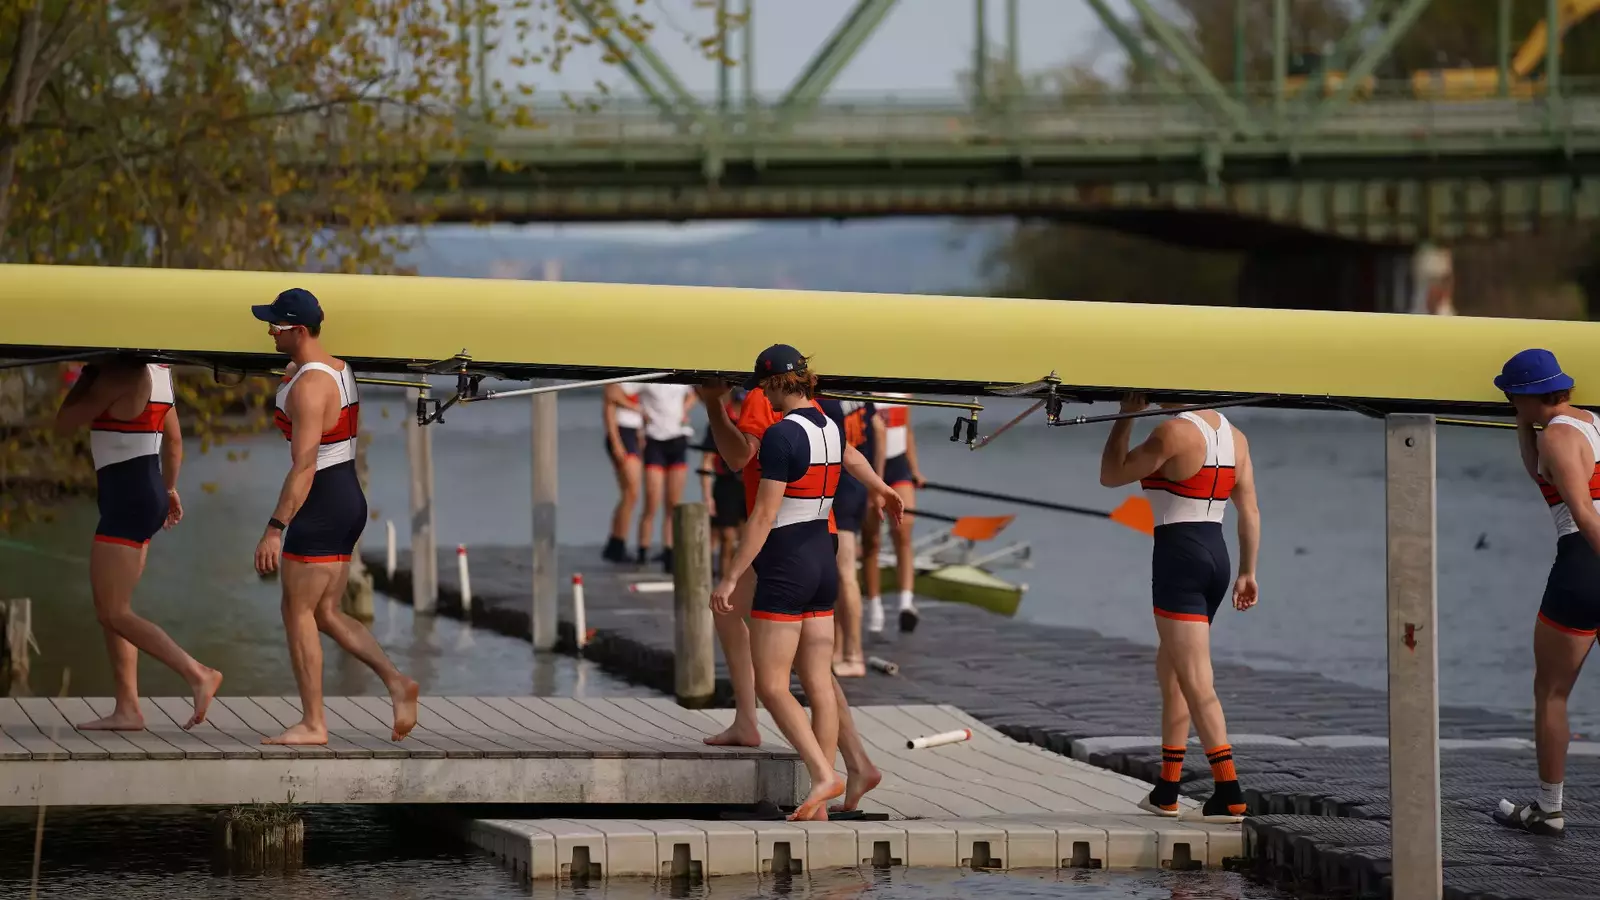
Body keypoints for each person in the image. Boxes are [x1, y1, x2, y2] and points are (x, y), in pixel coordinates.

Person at [709, 344, 904, 821]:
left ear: (775, 384)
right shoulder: (829, 425)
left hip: (787, 561)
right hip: (824, 553)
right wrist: (881, 487)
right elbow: (850, 456)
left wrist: (731, 577)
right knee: (817, 677)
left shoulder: (779, 435)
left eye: (762, 387)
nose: (760, 395)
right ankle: (835, 784)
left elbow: (764, 514)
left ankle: (823, 774)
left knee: (774, 686)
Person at [250, 288, 419, 746]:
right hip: (348, 497)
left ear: (299, 331)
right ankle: (397, 683)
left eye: (276, 326)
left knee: (297, 610)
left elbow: (303, 465)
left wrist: (275, 529)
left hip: (321, 498)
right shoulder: (338, 369)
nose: (268, 331)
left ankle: (313, 723)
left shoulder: (308, 387)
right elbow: (295, 378)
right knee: (324, 611)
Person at [1099, 393, 1258, 823]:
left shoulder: (1172, 432)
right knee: (1170, 671)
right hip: (1217, 558)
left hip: (1179, 560)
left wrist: (1125, 414)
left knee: (1195, 680)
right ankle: (1166, 790)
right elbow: (1250, 510)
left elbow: (1110, 475)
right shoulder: (1235, 437)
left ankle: (1229, 791)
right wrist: (1248, 572)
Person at [54, 358, 223, 730]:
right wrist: (169, 490)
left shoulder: (118, 373)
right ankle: (128, 709)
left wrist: (86, 374)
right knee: (117, 608)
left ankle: (197, 674)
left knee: (112, 612)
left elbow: (64, 424)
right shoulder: (160, 371)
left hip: (128, 500)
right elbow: (174, 442)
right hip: (145, 492)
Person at [1492, 349, 1599, 837]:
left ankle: (1550, 809)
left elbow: (1581, 511)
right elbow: (1541, 472)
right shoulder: (1588, 424)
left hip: (1584, 564)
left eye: (1512, 395)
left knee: (1551, 693)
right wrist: (1522, 421)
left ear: (1529, 396)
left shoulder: (1555, 438)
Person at [818, 395, 884, 678]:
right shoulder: (858, 393)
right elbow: (879, 428)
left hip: (841, 486)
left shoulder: (823, 401)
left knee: (844, 572)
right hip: (858, 481)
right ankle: (839, 649)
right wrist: (876, 482)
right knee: (838, 571)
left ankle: (854, 654)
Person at [861, 393, 923, 633]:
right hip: (871, 468)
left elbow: (906, 432)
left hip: (898, 467)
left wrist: (915, 470)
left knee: (903, 531)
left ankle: (906, 604)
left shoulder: (904, 392)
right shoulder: (867, 394)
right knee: (872, 541)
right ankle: (874, 607)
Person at [636, 382, 698, 571]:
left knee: (673, 503)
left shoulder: (680, 378)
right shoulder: (647, 378)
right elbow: (619, 392)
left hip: (677, 438)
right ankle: (642, 552)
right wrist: (639, 412)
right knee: (652, 502)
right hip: (654, 439)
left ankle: (669, 552)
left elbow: (695, 393)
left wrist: (685, 408)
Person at [700, 388, 749, 577]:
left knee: (748, 537)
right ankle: (724, 579)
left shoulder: (753, 421)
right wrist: (707, 498)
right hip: (725, 483)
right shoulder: (720, 421)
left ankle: (744, 585)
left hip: (748, 483)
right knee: (726, 537)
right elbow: (706, 461)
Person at [602, 382, 645, 563]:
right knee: (631, 492)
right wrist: (616, 441)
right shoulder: (616, 383)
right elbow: (609, 406)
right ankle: (617, 542)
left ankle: (616, 541)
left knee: (630, 493)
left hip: (633, 433)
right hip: (621, 433)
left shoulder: (641, 381)